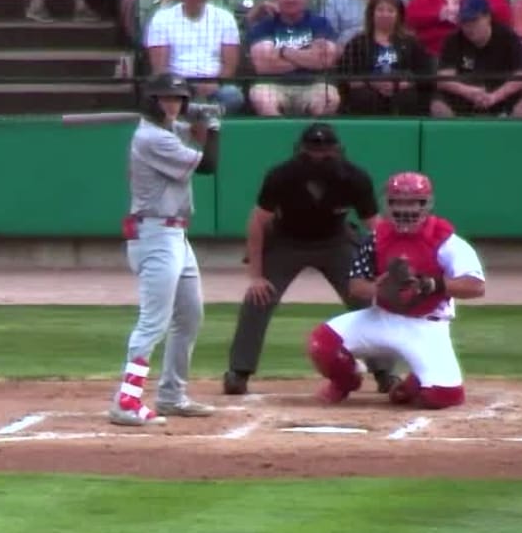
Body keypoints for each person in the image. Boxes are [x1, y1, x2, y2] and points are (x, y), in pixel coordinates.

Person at [222, 123, 397, 397]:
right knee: (258, 298)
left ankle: (386, 372)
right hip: (286, 241)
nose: (318, 157)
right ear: (301, 150)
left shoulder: (354, 177)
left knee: (365, 298)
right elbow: (258, 222)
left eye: (325, 152)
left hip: (335, 241)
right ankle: (238, 371)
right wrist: (256, 276)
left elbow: (375, 226)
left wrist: (388, 266)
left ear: (337, 151)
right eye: (313, 151)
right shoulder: (282, 175)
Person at [306, 171, 487, 409]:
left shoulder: (446, 242)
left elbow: (476, 287)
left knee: (444, 397)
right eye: (398, 203)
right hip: (382, 317)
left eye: (413, 203)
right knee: (323, 343)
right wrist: (378, 290)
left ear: (426, 204)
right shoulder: (375, 238)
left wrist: (433, 284)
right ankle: (345, 382)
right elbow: (355, 286)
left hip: (425, 325)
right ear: (388, 204)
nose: (406, 210)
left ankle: (415, 382)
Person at [110, 72, 221, 427]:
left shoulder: (168, 131)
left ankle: (172, 395)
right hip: (155, 234)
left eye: (177, 99)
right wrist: (215, 127)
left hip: (176, 236)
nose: (172, 104)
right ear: (151, 101)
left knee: (189, 315)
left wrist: (199, 121)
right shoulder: (153, 138)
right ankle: (125, 402)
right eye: (165, 99)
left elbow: (192, 134)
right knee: (153, 322)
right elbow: (209, 164)